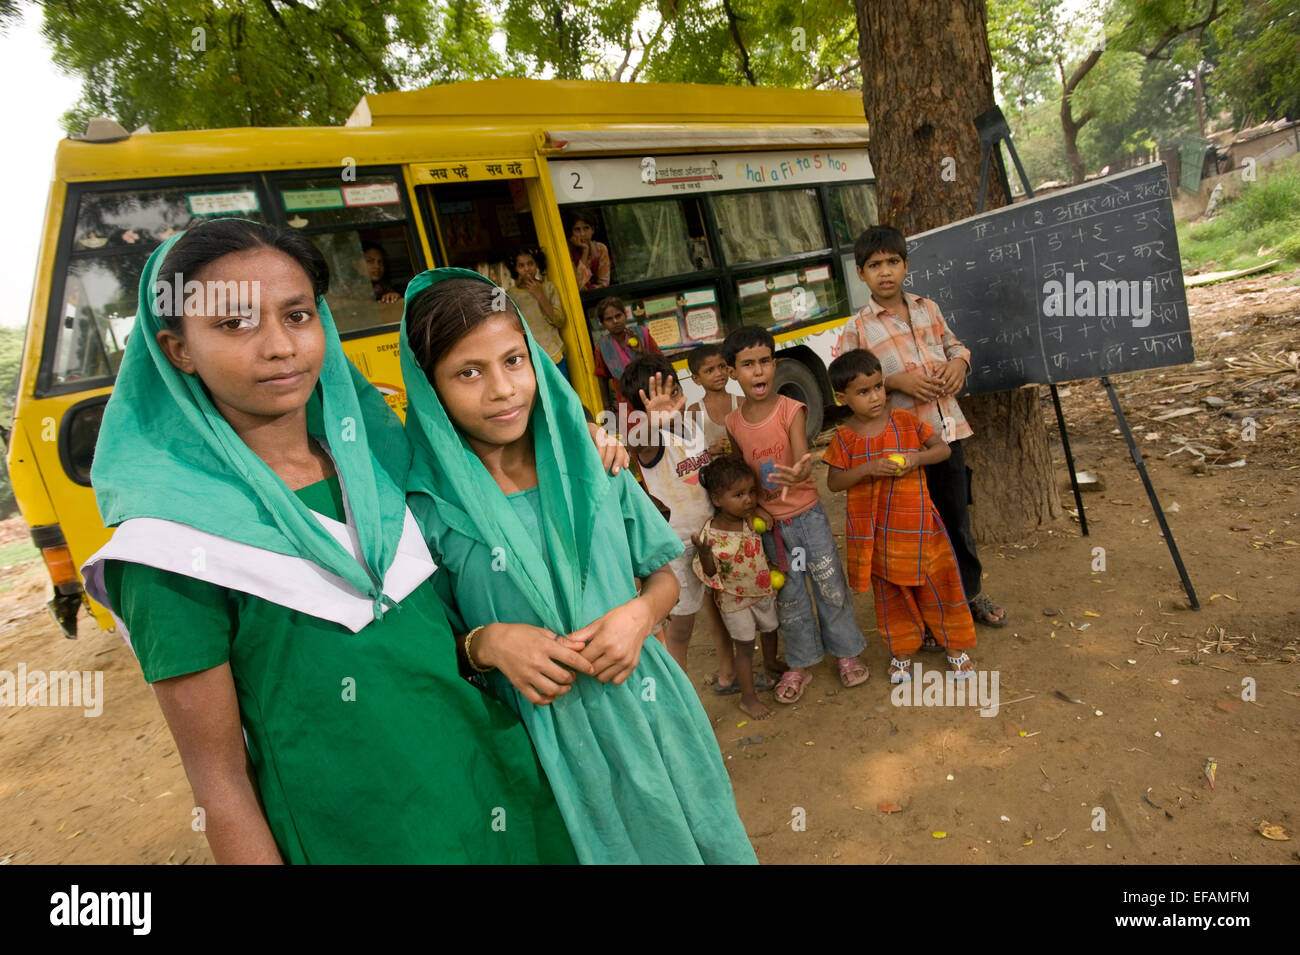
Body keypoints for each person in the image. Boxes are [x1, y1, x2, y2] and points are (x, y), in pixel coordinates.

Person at [79, 219, 576, 864]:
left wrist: (594, 446)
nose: (279, 347)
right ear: (178, 349)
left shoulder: (384, 468)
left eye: (297, 315)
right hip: (361, 839)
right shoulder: (168, 548)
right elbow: (218, 780)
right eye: (234, 324)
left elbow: (431, 637)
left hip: (503, 795)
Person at [399, 268, 756, 865]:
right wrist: (487, 644)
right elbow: (427, 645)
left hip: (649, 713)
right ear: (430, 389)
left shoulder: (597, 466)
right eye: (468, 372)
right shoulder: (423, 511)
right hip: (541, 742)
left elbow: (665, 577)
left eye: (514, 361)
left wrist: (640, 617)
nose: (503, 390)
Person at [839, 224, 1009, 635]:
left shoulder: (927, 308)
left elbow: (955, 346)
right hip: (902, 448)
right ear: (861, 274)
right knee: (913, 532)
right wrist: (895, 383)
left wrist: (958, 365)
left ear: (906, 265)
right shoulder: (858, 328)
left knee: (956, 522)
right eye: (874, 265)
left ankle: (969, 595)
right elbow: (849, 388)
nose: (885, 272)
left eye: (893, 262)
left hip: (945, 436)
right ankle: (928, 614)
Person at [722, 325, 869, 704]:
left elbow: (803, 456)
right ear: (732, 372)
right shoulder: (734, 423)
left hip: (807, 518)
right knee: (789, 595)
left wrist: (801, 471)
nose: (759, 371)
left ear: (775, 365)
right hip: (772, 528)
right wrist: (755, 508)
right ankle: (800, 663)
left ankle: (847, 652)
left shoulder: (792, 409)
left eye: (765, 362)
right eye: (748, 364)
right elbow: (742, 476)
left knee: (828, 584)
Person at [823, 349, 977, 683]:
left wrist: (915, 459)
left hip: (921, 528)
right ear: (842, 397)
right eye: (863, 392)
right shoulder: (844, 438)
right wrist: (868, 468)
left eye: (878, 387)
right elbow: (834, 482)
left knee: (940, 588)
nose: (875, 397)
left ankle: (955, 648)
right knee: (893, 597)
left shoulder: (905, 423)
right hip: (878, 537)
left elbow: (943, 449)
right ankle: (903, 653)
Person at [618, 356, 759, 696]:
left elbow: (697, 471)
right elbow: (636, 446)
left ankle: (729, 676)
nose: (673, 401)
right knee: (680, 627)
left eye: (675, 390)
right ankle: (681, 698)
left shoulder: (691, 427)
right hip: (677, 546)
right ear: (644, 407)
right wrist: (654, 421)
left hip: (711, 538)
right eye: (658, 396)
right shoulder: (650, 439)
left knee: (719, 608)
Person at [692, 456, 784, 720]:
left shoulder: (748, 519)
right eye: (739, 494)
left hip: (762, 591)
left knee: (770, 630)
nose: (748, 499)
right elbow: (709, 573)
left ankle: (770, 662)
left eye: (751, 492)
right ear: (717, 499)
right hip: (735, 603)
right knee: (743, 649)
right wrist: (705, 554)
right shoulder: (711, 535)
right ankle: (748, 698)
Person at [592, 295, 661, 414]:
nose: (615, 321)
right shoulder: (602, 346)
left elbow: (660, 362)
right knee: (634, 432)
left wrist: (642, 352)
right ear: (602, 323)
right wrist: (607, 406)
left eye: (618, 316)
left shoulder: (642, 334)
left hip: (653, 395)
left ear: (625, 315)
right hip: (625, 404)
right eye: (609, 319)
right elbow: (602, 378)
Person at [507, 247, 568, 378]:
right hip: (530, 357)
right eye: (521, 265)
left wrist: (540, 295)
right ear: (515, 269)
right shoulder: (510, 295)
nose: (527, 269)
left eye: (530, 263)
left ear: (537, 265)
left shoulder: (549, 288)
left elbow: (560, 321)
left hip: (554, 353)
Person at [686, 343, 738, 456]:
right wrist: (715, 449)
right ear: (696, 379)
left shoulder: (741, 402)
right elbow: (692, 453)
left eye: (721, 366)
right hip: (714, 472)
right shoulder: (695, 411)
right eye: (710, 370)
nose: (719, 373)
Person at [566, 209, 611, 290]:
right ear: (571, 232)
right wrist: (585, 251)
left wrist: (589, 288)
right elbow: (578, 286)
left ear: (592, 230)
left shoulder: (600, 249)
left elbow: (604, 283)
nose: (582, 234)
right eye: (577, 229)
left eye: (586, 228)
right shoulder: (567, 252)